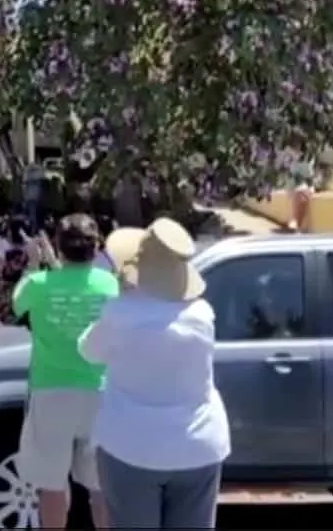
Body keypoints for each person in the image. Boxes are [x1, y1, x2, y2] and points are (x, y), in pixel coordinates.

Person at [79, 218, 230, 529]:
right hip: (198, 444)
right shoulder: (202, 315)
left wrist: (122, 295)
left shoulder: (120, 312)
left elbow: (88, 350)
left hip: (131, 445)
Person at [11, 213, 118, 530]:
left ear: (58, 246)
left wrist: (35, 263)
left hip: (51, 392)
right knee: (101, 487)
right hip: (100, 390)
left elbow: (16, 304)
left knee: (52, 485)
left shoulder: (37, 284)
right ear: (95, 247)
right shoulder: (110, 284)